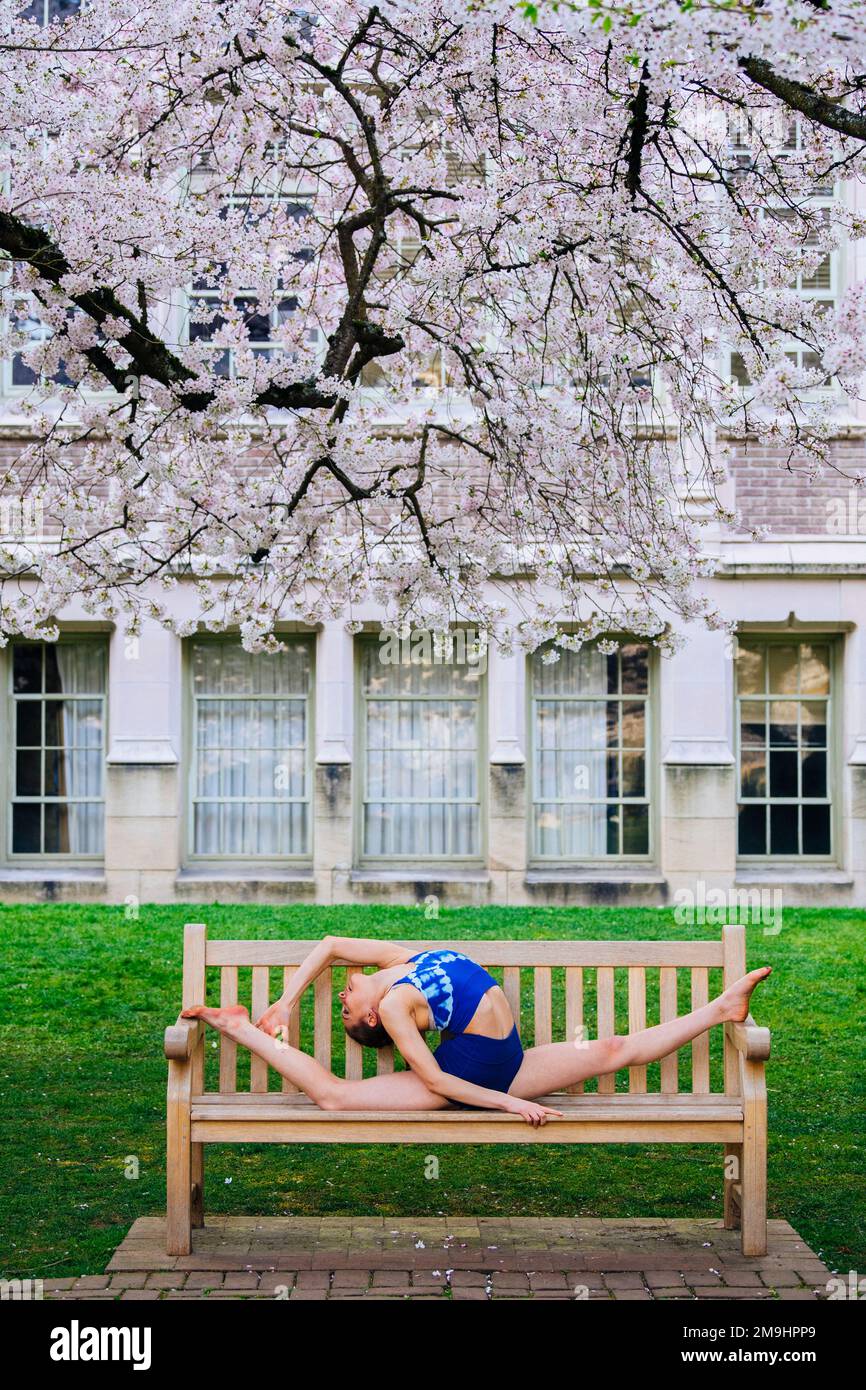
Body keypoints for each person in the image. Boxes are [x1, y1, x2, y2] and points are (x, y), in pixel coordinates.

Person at [183, 936, 771, 1127]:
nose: (342, 995)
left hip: (503, 1061)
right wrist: (510, 1105)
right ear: (371, 1019)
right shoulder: (390, 1009)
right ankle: (234, 1025)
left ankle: (722, 1009)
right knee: (334, 1096)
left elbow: (333, 946)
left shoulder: (405, 960)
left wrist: (286, 1001)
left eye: (341, 1001)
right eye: (345, 1010)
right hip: (472, 1078)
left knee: (614, 1049)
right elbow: (435, 1076)